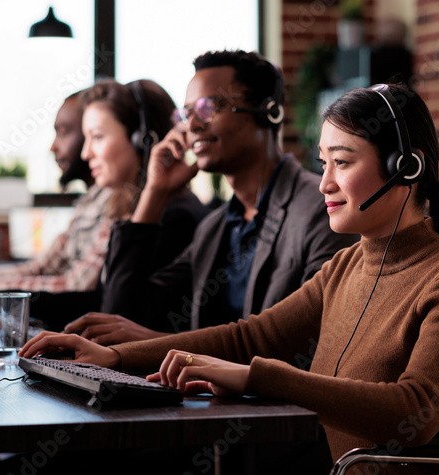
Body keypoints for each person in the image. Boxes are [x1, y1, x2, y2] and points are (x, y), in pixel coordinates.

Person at [21, 83, 439, 472]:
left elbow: (414, 411)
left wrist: (257, 377)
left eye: (343, 163)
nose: (326, 183)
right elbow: (252, 335)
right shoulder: (346, 266)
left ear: (404, 167)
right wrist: (113, 356)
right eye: (323, 164)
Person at [63, 50, 356, 345]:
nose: (192, 126)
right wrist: (154, 192)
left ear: (268, 112)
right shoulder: (214, 229)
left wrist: (164, 344)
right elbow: (121, 314)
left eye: (208, 108)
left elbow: (302, 343)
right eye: (186, 114)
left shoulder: (322, 209)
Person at [0, 80, 208, 323]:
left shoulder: (176, 217)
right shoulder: (122, 205)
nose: (85, 153)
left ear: (140, 140)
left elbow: (114, 311)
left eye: (98, 137)